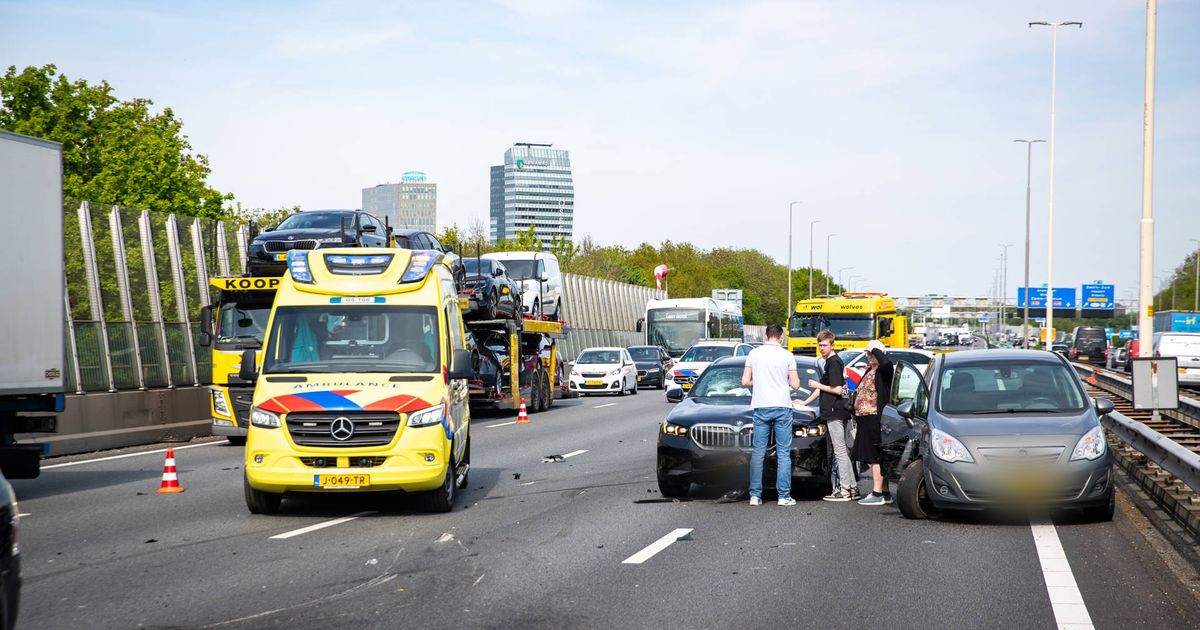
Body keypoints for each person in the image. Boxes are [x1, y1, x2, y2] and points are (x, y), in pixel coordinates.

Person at [741, 323, 800, 507]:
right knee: (783, 453)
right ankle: (783, 496)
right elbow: (796, 384)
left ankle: (755, 495)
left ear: (766, 336)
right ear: (781, 337)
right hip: (782, 406)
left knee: (758, 452)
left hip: (761, 406)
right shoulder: (787, 355)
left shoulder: (754, 354)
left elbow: (744, 381)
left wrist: (758, 381)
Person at [802, 329, 857, 501]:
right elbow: (823, 389)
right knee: (843, 451)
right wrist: (804, 402)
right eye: (819, 345)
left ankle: (845, 490)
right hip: (837, 411)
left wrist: (816, 384)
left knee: (840, 451)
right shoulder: (833, 362)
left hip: (835, 412)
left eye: (825, 345)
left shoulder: (833, 362)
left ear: (832, 345)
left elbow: (837, 389)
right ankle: (852, 488)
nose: (821, 348)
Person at [851, 340, 894, 505]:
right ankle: (885, 491)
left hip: (876, 417)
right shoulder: (870, 369)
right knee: (874, 455)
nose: (869, 356)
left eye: (872, 354)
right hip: (865, 418)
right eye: (867, 353)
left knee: (875, 456)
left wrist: (875, 349)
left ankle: (877, 493)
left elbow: (887, 363)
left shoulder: (884, 370)